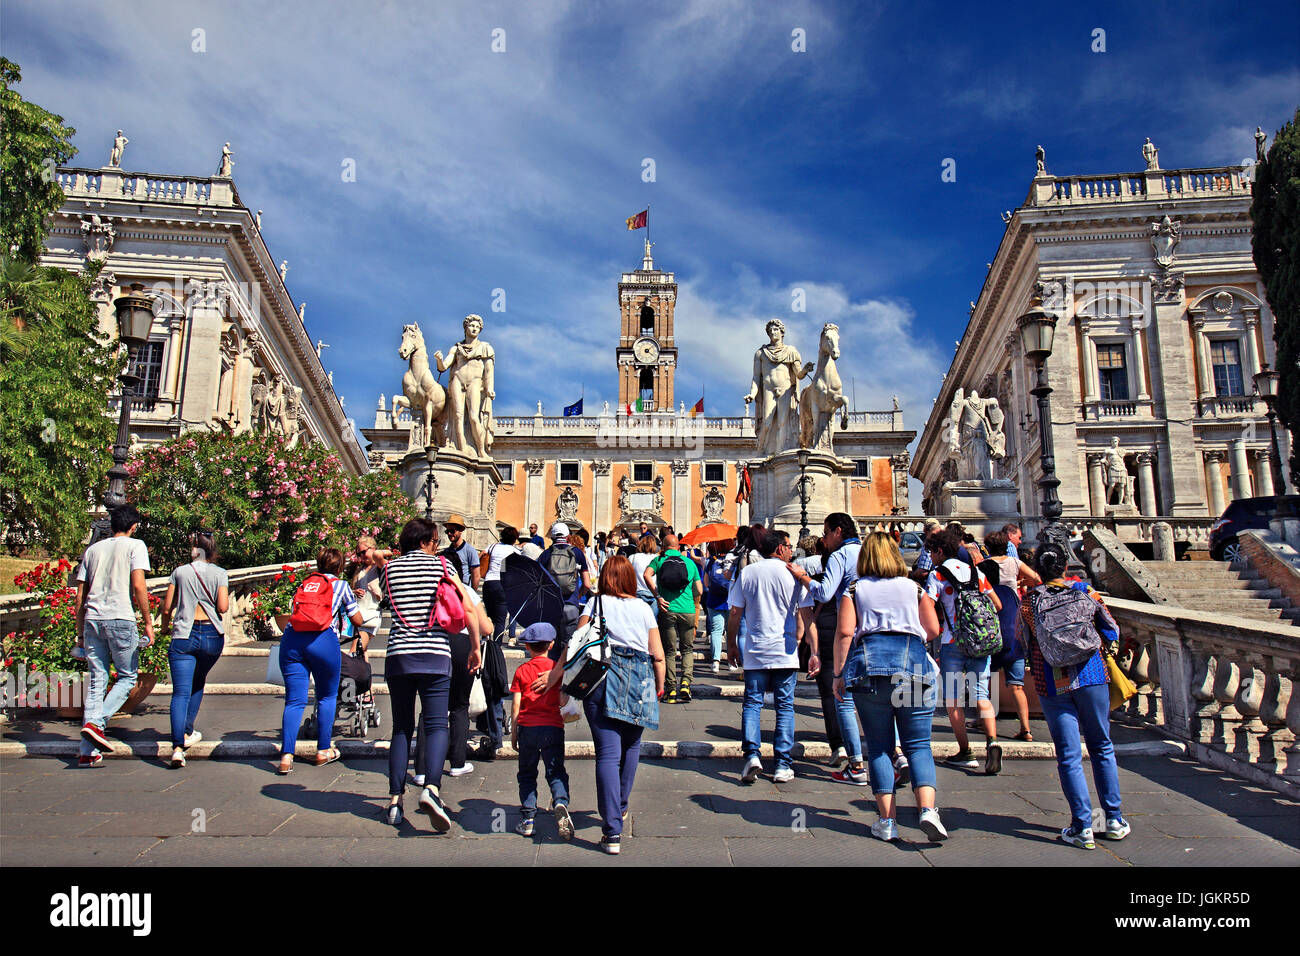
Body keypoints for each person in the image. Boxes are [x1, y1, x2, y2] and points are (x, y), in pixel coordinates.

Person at [834, 533, 948, 842]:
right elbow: (934, 629)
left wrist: (838, 674)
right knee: (919, 745)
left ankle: (887, 822)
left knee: (880, 746)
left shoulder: (855, 589)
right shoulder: (914, 587)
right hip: (913, 667)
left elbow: (845, 632)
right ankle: (927, 810)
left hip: (871, 670)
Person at [1017, 543, 1128, 849]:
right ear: (1065, 567)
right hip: (1091, 675)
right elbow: (1111, 627)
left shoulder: (1030, 602)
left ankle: (1083, 826)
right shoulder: (1085, 591)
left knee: (1068, 755)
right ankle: (1113, 819)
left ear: (1037, 570)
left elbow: (1022, 641)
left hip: (1052, 682)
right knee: (1101, 745)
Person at [380, 519, 481, 830]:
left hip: (398, 654)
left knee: (400, 728)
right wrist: (475, 647)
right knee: (437, 724)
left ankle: (395, 801)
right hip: (435, 653)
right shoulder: (442, 567)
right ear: (427, 540)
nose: (438, 544)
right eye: (435, 540)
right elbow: (466, 608)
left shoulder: (391, 569)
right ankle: (432, 790)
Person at [574, 555, 665, 854]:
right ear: (629, 579)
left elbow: (576, 641)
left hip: (602, 678)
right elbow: (658, 653)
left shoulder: (595, 604)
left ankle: (612, 831)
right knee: (632, 747)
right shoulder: (643, 608)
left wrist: (558, 681)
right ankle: (620, 806)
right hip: (639, 679)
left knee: (608, 754)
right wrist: (660, 683)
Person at [784, 513, 872, 780]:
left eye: (825, 532)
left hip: (845, 628)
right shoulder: (869, 552)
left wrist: (803, 577)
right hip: (873, 629)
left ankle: (852, 759)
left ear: (837, 531)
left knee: (840, 695)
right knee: (875, 696)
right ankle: (898, 755)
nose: (823, 538)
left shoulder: (839, 556)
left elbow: (824, 593)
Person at [73, 505, 155, 768]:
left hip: (93, 619)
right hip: (120, 617)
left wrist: (79, 632)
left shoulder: (93, 550)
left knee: (98, 680)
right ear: (133, 526)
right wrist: (148, 622)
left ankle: (87, 751)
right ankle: (97, 724)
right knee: (128, 676)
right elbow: (139, 584)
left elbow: (80, 597)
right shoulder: (135, 546)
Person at [278, 548, 368, 774]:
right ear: (340, 567)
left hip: (292, 640)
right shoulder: (341, 585)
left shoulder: (305, 583)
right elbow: (356, 618)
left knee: (294, 701)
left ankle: (286, 756)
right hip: (322, 640)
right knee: (327, 695)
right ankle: (323, 750)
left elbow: (292, 612)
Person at [921, 529, 1003, 774]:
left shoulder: (937, 575)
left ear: (938, 551)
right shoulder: (976, 572)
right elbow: (997, 604)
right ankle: (992, 742)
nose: (931, 557)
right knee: (981, 692)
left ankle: (965, 751)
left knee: (953, 699)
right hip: (979, 641)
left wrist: (929, 632)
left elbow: (927, 605)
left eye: (931, 552)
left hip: (952, 641)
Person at [727, 530, 803, 784]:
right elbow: (805, 613)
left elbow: (736, 612)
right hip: (785, 650)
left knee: (752, 704)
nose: (792, 550)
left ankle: (752, 756)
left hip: (756, 649)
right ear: (780, 548)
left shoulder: (748, 572)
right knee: (785, 707)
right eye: (789, 546)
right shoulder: (793, 573)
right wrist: (808, 644)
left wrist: (731, 644)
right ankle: (782, 765)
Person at [160, 530, 230, 768]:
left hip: (183, 634)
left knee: (180, 692)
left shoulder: (179, 572)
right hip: (211, 634)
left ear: (194, 548)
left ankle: (178, 747)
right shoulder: (220, 573)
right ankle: (188, 728)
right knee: (198, 680)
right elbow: (223, 607)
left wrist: (163, 628)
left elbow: (167, 606)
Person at [509, 622, 573, 840]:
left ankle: (528, 818)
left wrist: (514, 732)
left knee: (527, 773)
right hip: (553, 727)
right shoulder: (555, 670)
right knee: (556, 771)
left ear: (527, 646)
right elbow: (563, 701)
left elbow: (516, 704)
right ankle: (561, 802)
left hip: (528, 727)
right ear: (551, 644)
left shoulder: (521, 671)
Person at [981, 530, 1041, 742]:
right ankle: (1026, 729)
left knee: (985, 681)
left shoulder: (982, 567)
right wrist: (1020, 584)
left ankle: (986, 724)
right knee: (1017, 685)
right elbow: (1037, 579)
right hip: (1013, 624)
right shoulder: (1015, 563)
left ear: (987, 547)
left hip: (992, 626)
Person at [644, 532, 703, 703]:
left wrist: (658, 596)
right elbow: (699, 590)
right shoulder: (689, 562)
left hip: (667, 609)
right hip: (688, 610)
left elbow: (647, 575)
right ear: (678, 547)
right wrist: (689, 597)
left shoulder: (659, 560)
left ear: (663, 547)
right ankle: (685, 683)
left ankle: (670, 690)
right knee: (687, 649)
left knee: (669, 651)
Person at [539, 522, 593, 647]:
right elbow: (587, 584)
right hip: (571, 605)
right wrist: (579, 596)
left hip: (551, 606)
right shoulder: (577, 553)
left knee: (552, 646)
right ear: (568, 537)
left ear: (552, 537)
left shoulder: (545, 555)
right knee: (569, 647)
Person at [479, 526, 520, 642]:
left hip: (489, 583)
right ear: (514, 539)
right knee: (500, 620)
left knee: (489, 617)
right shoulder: (515, 552)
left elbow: (481, 556)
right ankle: (496, 646)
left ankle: (484, 641)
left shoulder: (492, 547)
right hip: (502, 585)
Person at [701, 540, 733, 675]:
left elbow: (707, 583)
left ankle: (715, 662)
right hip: (731, 601)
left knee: (716, 631)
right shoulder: (733, 562)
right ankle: (732, 662)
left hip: (714, 600)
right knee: (731, 631)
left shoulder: (711, 562)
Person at [442, 514, 480, 589]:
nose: (449, 534)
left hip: (464, 590)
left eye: (452, 531)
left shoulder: (470, 551)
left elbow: (476, 575)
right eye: (447, 531)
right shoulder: (446, 552)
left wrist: (472, 594)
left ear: (461, 531)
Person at [908, 517, 942, 585]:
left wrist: (910, 575)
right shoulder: (946, 541)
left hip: (931, 583)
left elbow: (923, 572)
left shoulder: (929, 543)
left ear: (925, 530)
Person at [630, 534, 659, 610]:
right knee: (652, 620)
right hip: (654, 593)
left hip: (637, 592)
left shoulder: (632, 557)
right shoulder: (657, 558)